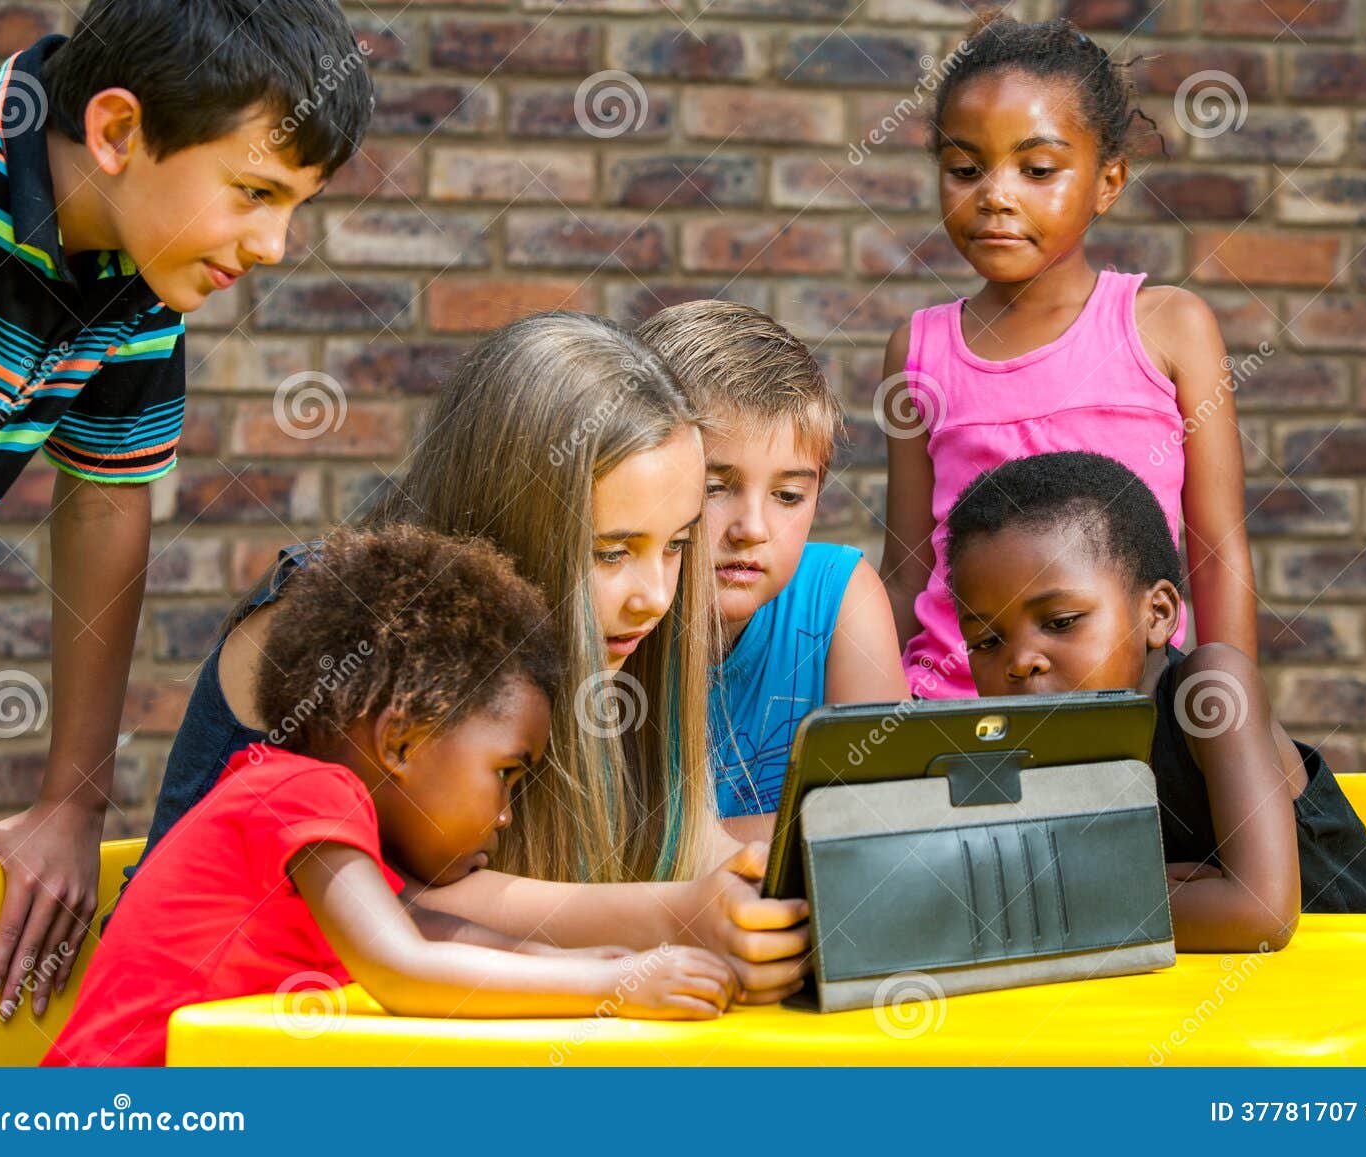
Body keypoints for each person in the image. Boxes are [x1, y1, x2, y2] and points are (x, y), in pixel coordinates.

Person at [136, 312, 811, 1005]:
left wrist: (759, 910)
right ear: (513, 518)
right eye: (611, 551)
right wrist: (671, 915)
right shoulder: (348, 627)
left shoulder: (629, 633)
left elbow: (691, 847)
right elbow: (418, 905)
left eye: (676, 545)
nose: (656, 596)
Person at [0, 0, 372, 1017]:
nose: (273, 243)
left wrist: (72, 798)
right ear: (115, 132)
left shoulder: (134, 268)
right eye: (252, 190)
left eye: (295, 205)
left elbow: (104, 500)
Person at [43, 524, 736, 1066]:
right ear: (401, 740)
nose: (503, 815)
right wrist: (608, 991)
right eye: (507, 773)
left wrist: (601, 962)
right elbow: (405, 969)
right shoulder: (302, 792)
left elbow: (444, 935)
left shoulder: (316, 829)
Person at [879, 11, 1256, 699]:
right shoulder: (921, 350)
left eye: (1038, 168)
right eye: (965, 167)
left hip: (1123, 707)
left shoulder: (1169, 330)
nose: (995, 195)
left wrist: (1224, 709)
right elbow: (906, 568)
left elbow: (1216, 552)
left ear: (1108, 181)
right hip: (958, 713)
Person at [945, 451, 1366, 952]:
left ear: (1158, 614)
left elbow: (1259, 913)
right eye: (987, 641)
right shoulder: (1028, 749)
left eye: (1060, 622)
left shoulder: (1209, 690)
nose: (1021, 661)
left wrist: (1066, 902)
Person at [637, 300, 908, 844]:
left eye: (788, 495)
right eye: (715, 488)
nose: (752, 528)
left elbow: (888, 818)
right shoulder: (611, 620)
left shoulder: (836, 598)